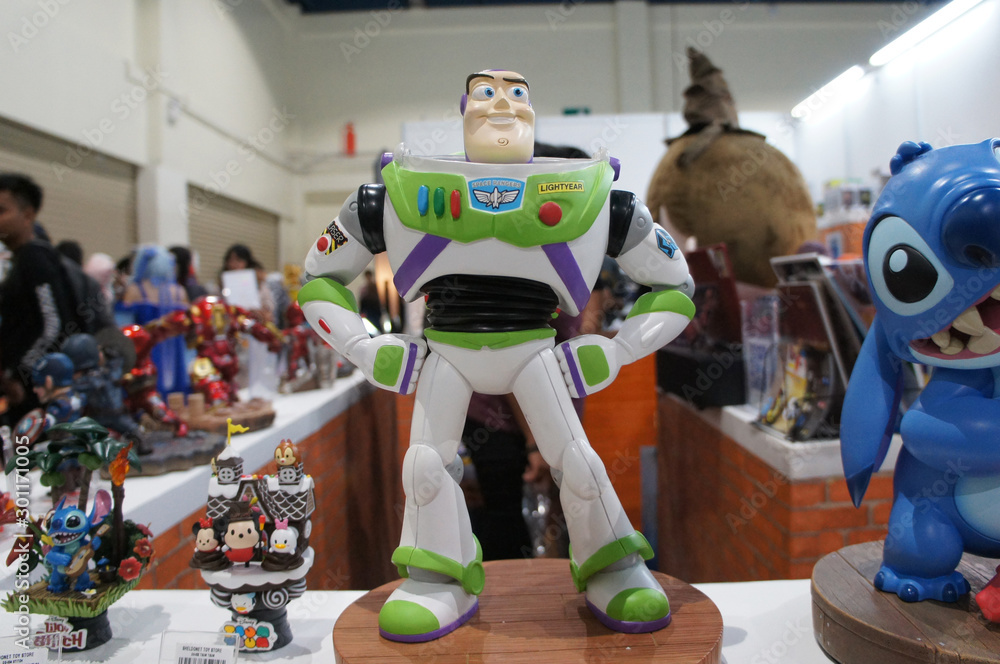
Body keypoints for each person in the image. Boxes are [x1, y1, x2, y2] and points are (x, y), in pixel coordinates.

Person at [298, 69, 693, 641]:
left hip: (535, 349)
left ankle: (612, 565)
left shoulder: (599, 198)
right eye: (486, 91)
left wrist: (620, 349)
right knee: (425, 467)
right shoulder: (389, 198)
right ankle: (438, 577)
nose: (502, 102)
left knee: (580, 464)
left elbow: (676, 287)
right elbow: (318, 279)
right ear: (464, 107)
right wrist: (363, 346)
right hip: (445, 352)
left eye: (516, 92)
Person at [0, 173, 79, 427]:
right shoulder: (21, 259)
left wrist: (19, 373)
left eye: (2, 211)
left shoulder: (35, 259)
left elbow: (54, 325)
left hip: (35, 394)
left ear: (28, 215)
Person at [117, 245, 189, 396]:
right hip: (176, 353)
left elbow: (124, 327)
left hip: (147, 350)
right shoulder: (179, 291)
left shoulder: (135, 290)